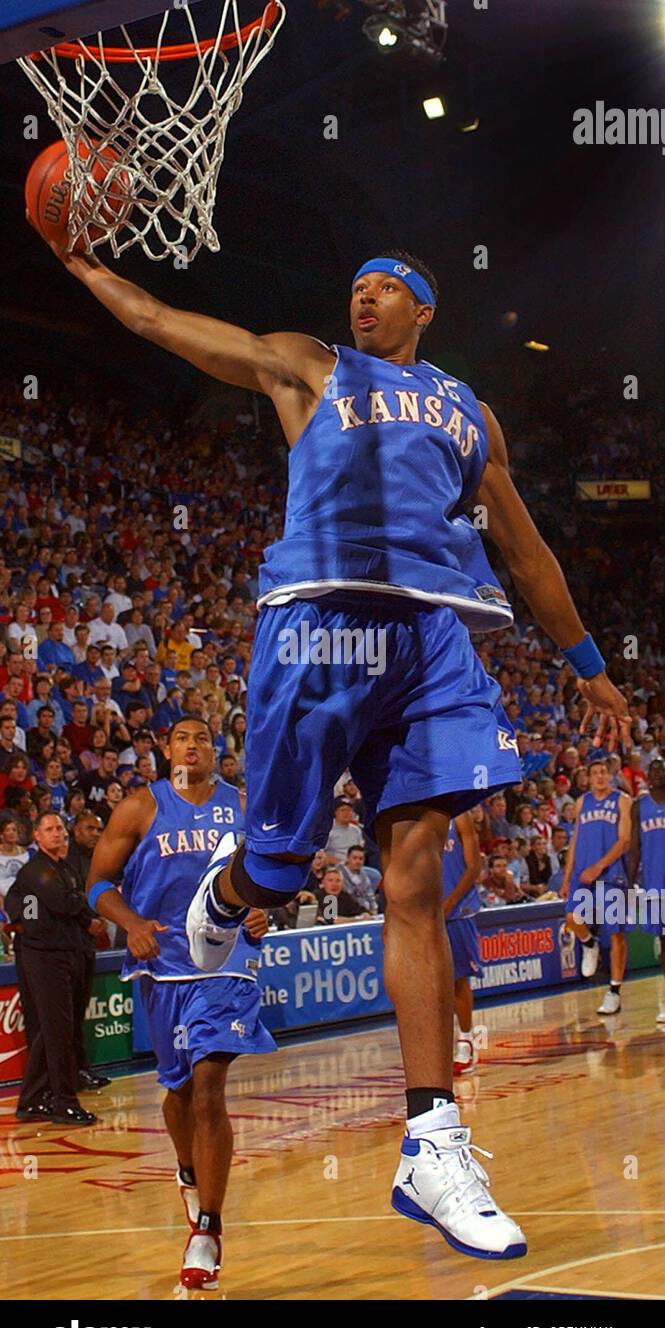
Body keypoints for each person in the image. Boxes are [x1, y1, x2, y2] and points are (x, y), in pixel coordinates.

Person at [49, 239, 630, 1263]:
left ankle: (430, 1139)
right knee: (275, 869)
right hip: (317, 632)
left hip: (432, 638)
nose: (361, 296)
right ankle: (232, 896)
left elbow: (524, 549)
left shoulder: (465, 413)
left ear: (422, 308)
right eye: (355, 286)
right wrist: (89, 267)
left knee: (413, 873)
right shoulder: (307, 366)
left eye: (383, 287)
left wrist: (584, 662)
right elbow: (159, 325)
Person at [85, 717, 274, 1290]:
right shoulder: (141, 807)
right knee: (179, 1090)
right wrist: (132, 923)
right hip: (163, 962)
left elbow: (268, 872)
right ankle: (187, 1168)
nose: (192, 745)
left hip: (228, 959)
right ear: (164, 750)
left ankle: (208, 1232)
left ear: (216, 751)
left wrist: (266, 907)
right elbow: (97, 883)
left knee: (210, 1081)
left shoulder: (242, 805)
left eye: (202, 738)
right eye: (182, 737)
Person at [5, 812, 100, 1124]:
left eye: (60, 827)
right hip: (43, 956)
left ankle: (31, 1099)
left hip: (62, 952)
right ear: (37, 837)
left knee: (52, 1031)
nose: (57, 833)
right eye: (50, 829)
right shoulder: (37, 871)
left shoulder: (63, 867)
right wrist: (80, 904)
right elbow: (63, 903)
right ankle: (64, 1100)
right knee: (55, 1030)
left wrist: (80, 907)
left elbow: (73, 905)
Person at [561, 757, 632, 1015]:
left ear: (609, 775)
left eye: (603, 772)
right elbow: (575, 841)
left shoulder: (622, 800)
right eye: (595, 773)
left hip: (611, 874)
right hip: (582, 873)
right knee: (571, 918)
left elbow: (624, 841)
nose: (600, 776)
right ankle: (589, 944)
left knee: (615, 934)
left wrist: (599, 867)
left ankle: (614, 991)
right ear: (588, 779)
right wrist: (567, 877)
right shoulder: (582, 802)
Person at [66, 810, 112, 1088]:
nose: (96, 833)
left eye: (98, 829)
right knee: (65, 1017)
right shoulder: (60, 863)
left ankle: (81, 1069)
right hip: (59, 949)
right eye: (89, 828)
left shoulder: (99, 860)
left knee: (77, 1012)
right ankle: (65, 1076)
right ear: (74, 831)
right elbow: (31, 904)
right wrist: (88, 920)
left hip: (85, 945)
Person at [442, 812, 482, 1075]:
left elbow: (474, 867)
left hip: (458, 910)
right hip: (428, 910)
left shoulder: (460, 818)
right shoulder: (421, 817)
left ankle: (466, 1039)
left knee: (458, 980)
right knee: (434, 983)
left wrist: (451, 902)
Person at [628, 757, 665, 1023]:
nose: (657, 774)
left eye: (661, 770)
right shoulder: (639, 807)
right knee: (664, 944)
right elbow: (634, 848)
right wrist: (630, 884)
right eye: (653, 770)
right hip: (655, 883)